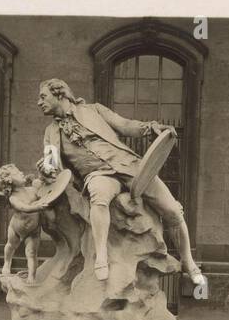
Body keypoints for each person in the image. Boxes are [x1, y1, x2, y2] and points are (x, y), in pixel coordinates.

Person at [36, 77, 204, 285]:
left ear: (59, 94)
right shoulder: (50, 132)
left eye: (43, 96)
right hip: (98, 175)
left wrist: (150, 128)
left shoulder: (94, 110)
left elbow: (124, 125)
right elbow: (51, 164)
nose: (39, 102)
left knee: (172, 210)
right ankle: (101, 258)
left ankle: (188, 260)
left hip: (130, 165)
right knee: (99, 197)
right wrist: (47, 168)